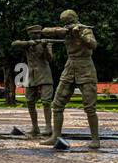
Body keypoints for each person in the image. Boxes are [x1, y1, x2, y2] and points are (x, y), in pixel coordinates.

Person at [38, 9, 100, 150]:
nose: (67, 24)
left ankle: (95, 139)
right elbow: (45, 31)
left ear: (75, 18)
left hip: (85, 68)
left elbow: (93, 45)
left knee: (90, 107)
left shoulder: (85, 30)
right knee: (57, 104)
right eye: (65, 22)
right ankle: (55, 136)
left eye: (68, 21)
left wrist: (80, 36)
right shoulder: (65, 30)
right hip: (70, 67)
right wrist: (63, 31)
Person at [10, 25, 55, 138]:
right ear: (29, 34)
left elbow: (49, 59)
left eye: (38, 33)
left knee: (46, 101)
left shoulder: (47, 43)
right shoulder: (27, 45)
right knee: (30, 101)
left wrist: (44, 47)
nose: (36, 35)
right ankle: (35, 127)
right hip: (31, 76)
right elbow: (14, 44)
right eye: (33, 33)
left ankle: (48, 126)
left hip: (44, 75)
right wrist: (28, 43)